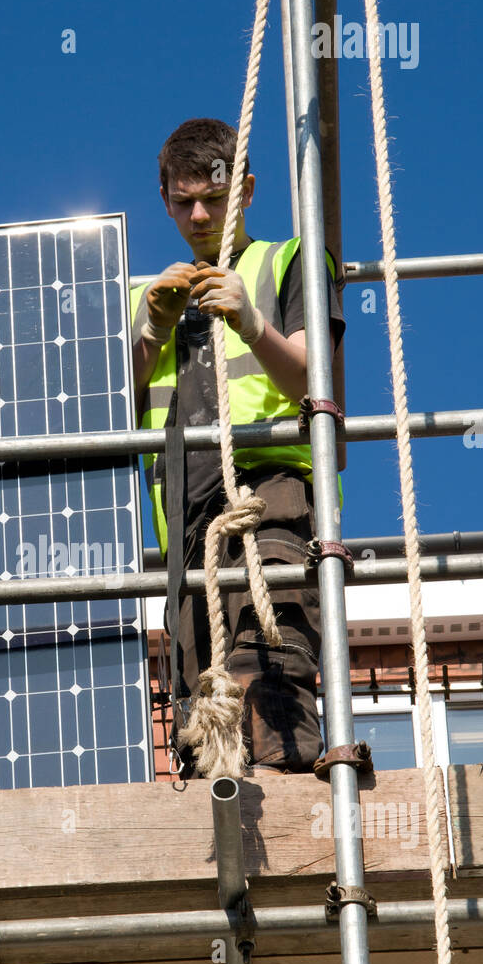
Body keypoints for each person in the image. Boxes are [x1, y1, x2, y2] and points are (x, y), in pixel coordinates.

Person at [130, 118, 345, 776]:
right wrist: (149, 332)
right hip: (186, 525)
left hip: (270, 497)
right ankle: (225, 855)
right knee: (207, 706)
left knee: (269, 676)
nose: (198, 216)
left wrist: (251, 321)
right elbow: (95, 406)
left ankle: (294, 833)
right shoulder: (143, 296)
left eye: (214, 199)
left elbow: (317, 379)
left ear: (245, 191)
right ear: (163, 198)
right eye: (182, 200)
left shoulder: (289, 261)